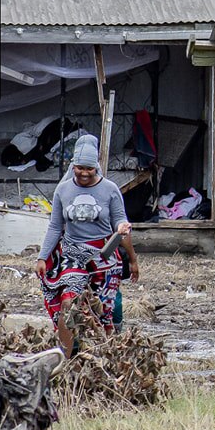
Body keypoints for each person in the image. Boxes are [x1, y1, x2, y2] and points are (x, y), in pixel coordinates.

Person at [36, 135, 139, 353]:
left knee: (104, 308)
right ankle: (67, 353)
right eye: (79, 168)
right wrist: (42, 257)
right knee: (68, 301)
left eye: (89, 169)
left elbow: (120, 219)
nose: (84, 173)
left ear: (97, 168)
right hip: (72, 254)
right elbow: (55, 227)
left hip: (103, 255)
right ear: (73, 166)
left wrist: (124, 234)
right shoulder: (62, 191)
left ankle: (106, 349)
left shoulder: (110, 189)